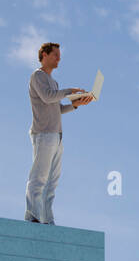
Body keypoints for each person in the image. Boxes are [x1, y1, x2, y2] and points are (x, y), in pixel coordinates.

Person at [24, 42, 94, 224]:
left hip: (56, 136)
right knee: (39, 177)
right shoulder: (37, 76)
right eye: (55, 55)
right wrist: (69, 91)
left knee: (51, 183)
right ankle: (32, 216)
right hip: (44, 133)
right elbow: (48, 97)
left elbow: (57, 108)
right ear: (44, 55)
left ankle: (46, 220)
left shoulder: (54, 82)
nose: (59, 58)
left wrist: (75, 104)